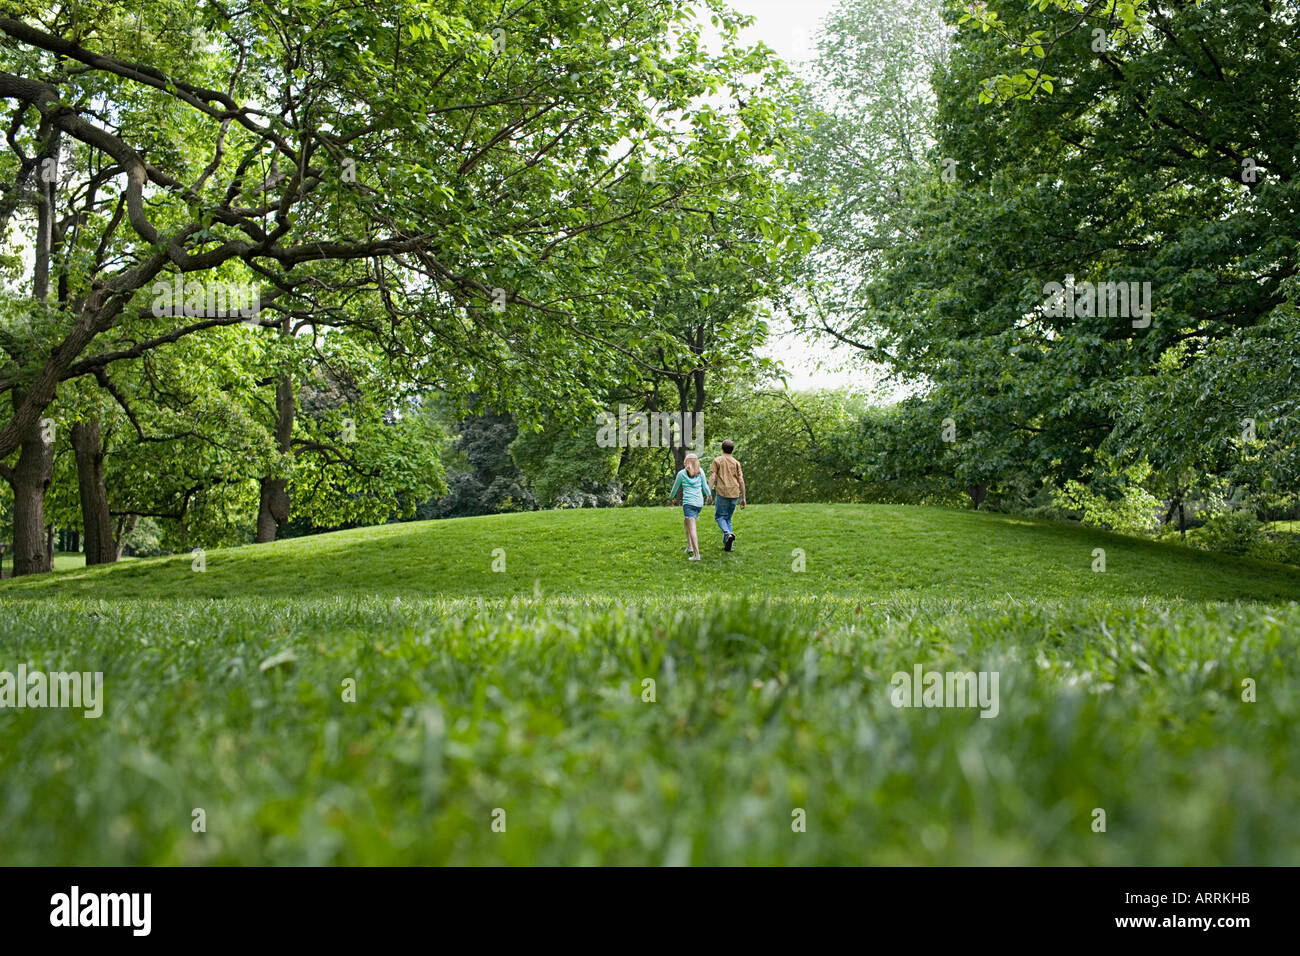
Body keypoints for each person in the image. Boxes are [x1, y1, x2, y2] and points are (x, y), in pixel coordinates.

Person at [669, 453, 711, 561]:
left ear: (686, 463)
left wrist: (671, 498)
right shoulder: (700, 471)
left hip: (689, 504)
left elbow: (675, 489)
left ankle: (696, 555)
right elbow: (705, 487)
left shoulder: (681, 474)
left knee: (692, 527)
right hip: (699, 503)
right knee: (686, 521)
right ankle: (689, 547)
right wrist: (709, 495)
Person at [708, 439, 746, 552]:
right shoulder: (736, 463)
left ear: (722, 448)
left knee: (719, 517)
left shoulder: (717, 461)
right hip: (734, 492)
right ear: (732, 450)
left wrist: (708, 493)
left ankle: (728, 533)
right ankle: (729, 545)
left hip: (722, 492)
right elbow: (741, 480)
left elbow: (713, 477)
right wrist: (743, 497)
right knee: (728, 518)